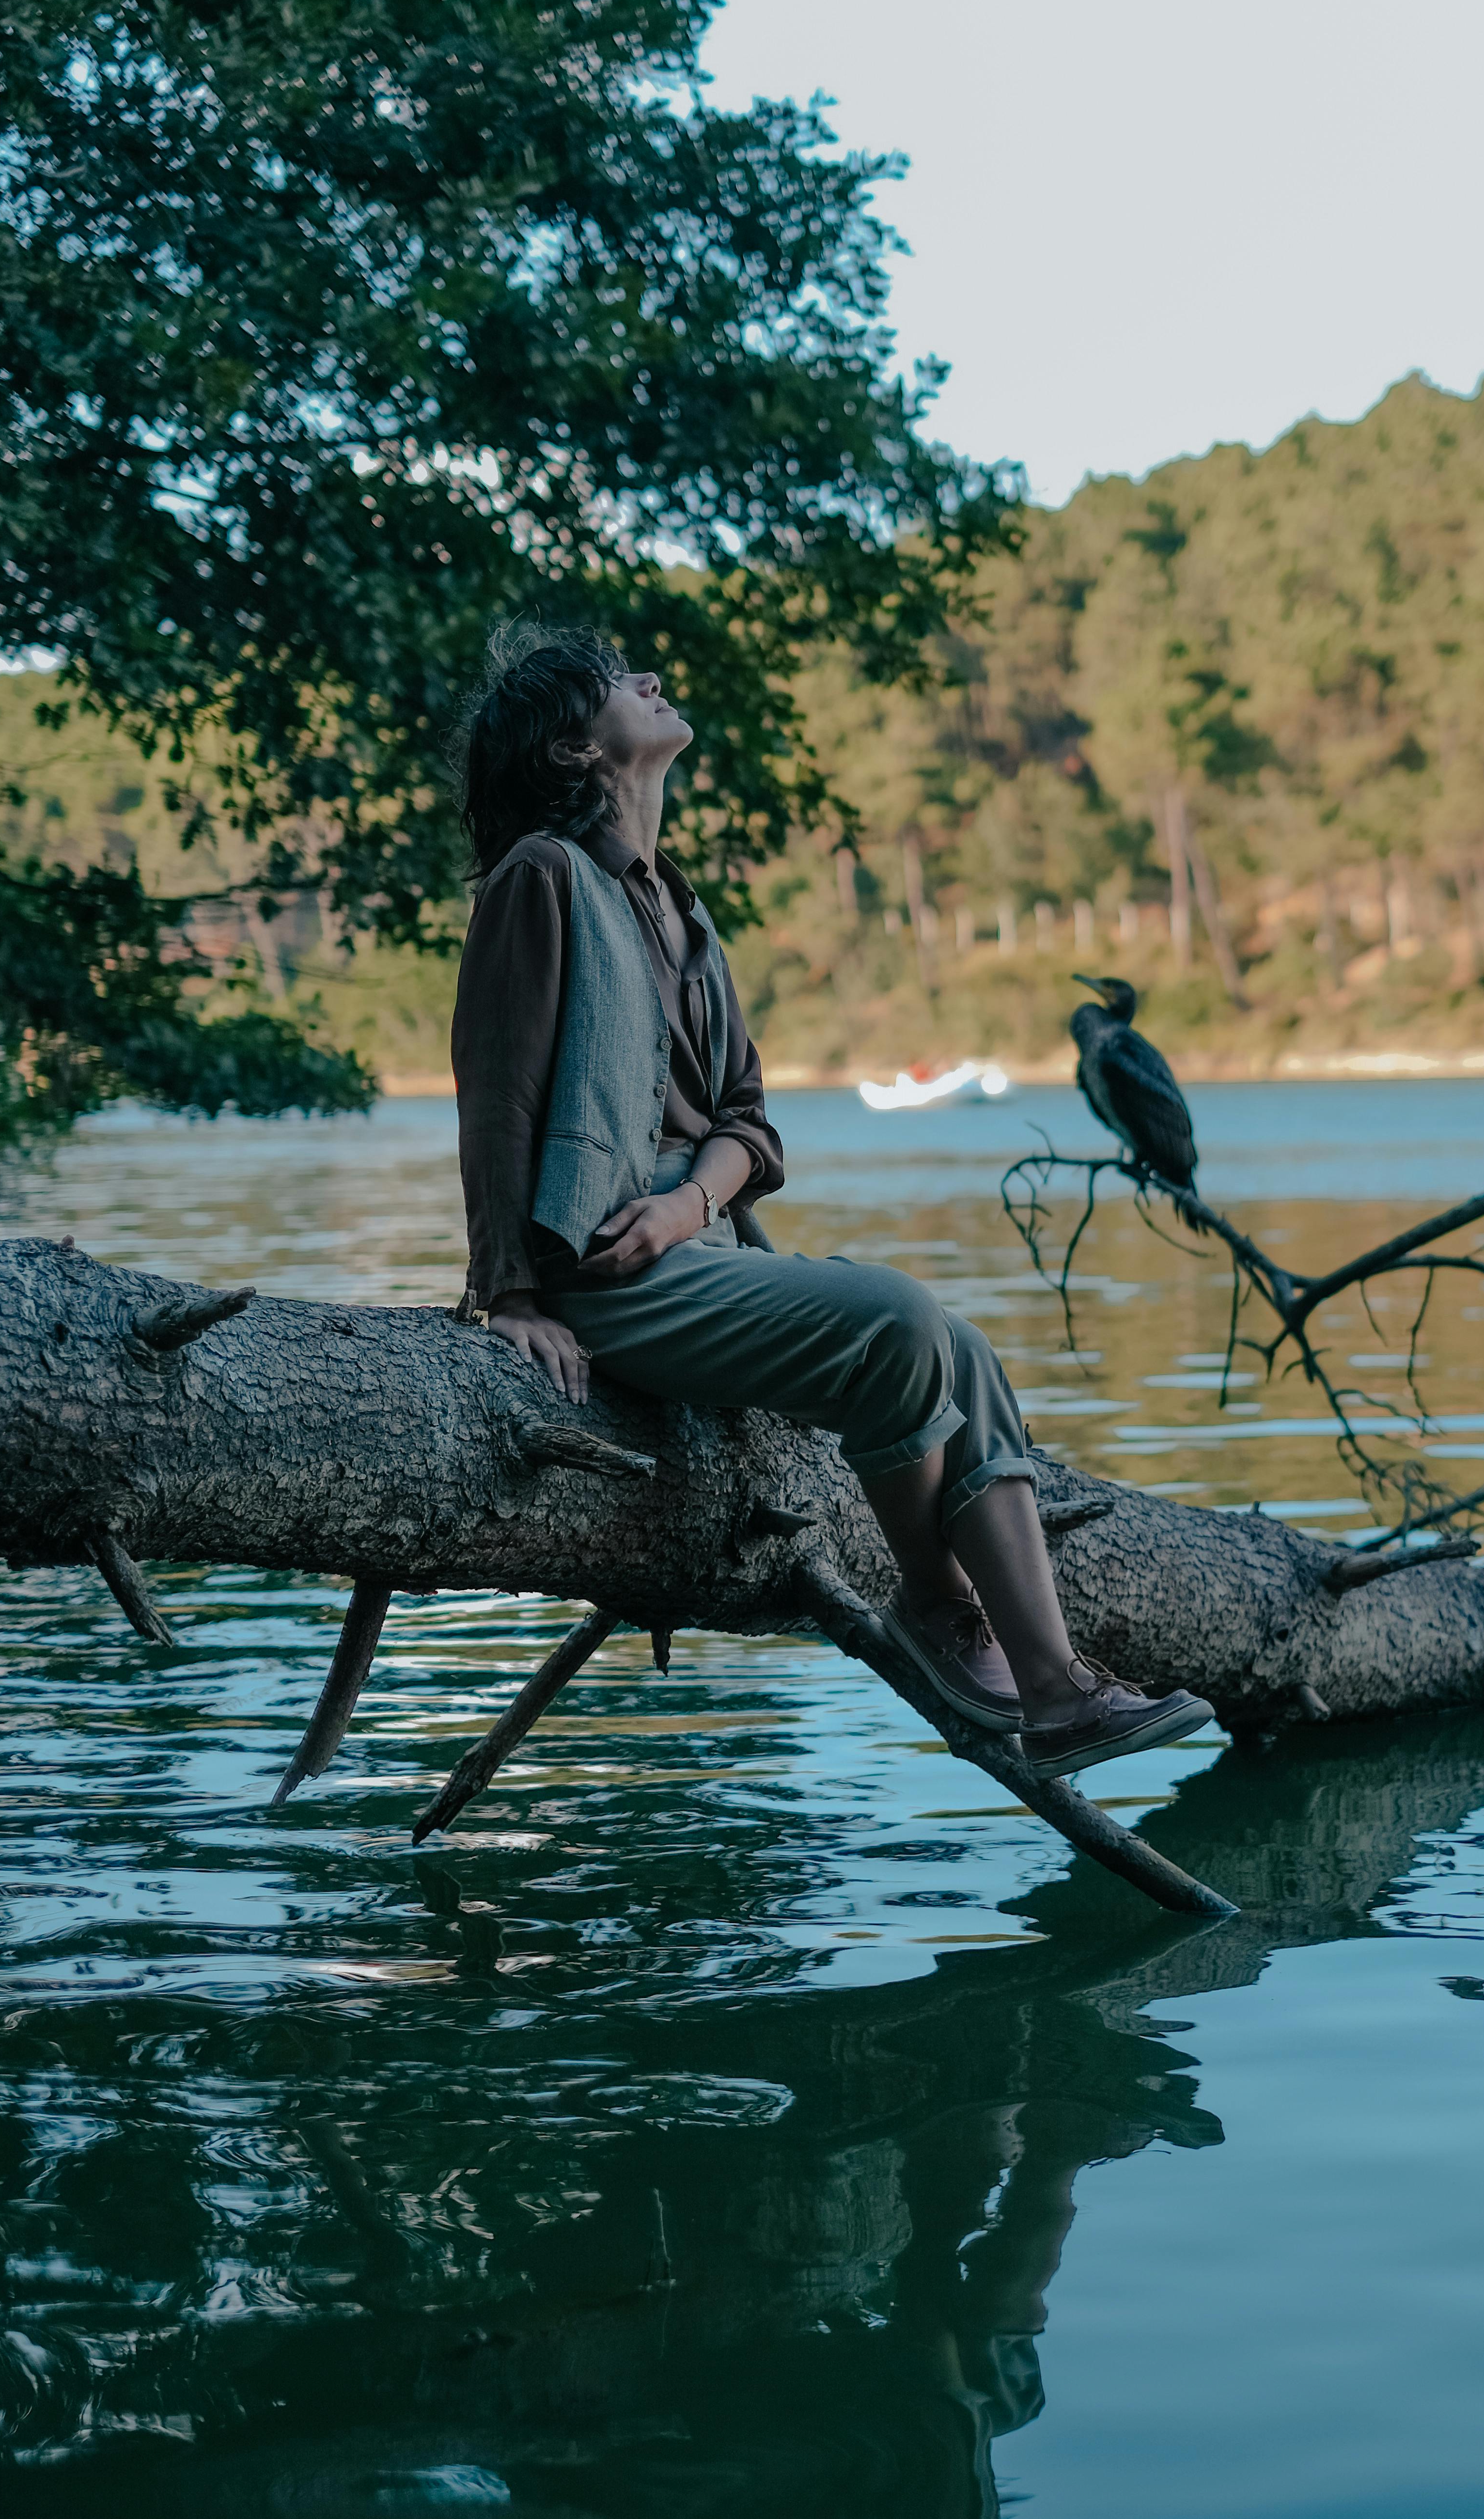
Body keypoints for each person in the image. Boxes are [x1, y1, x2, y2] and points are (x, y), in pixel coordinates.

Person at [451, 628, 1213, 1781]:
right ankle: (934, 1607)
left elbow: (753, 1126)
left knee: (963, 1348)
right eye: (619, 683)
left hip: (676, 1244)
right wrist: (509, 1291)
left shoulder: (685, 916)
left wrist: (688, 1206)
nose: (652, 679)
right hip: (593, 1262)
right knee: (897, 1323)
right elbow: (495, 1091)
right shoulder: (542, 878)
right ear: (576, 744)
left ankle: (1057, 1690)